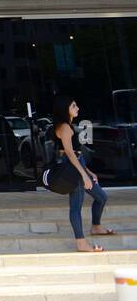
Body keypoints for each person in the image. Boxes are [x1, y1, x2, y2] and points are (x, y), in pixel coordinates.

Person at [52, 96, 113, 252]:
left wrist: (89, 171)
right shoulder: (64, 127)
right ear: (65, 109)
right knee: (76, 206)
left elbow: (76, 155)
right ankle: (81, 243)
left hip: (79, 165)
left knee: (101, 197)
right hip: (73, 169)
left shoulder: (68, 125)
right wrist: (84, 175)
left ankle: (96, 227)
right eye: (73, 105)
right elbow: (70, 155)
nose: (77, 107)